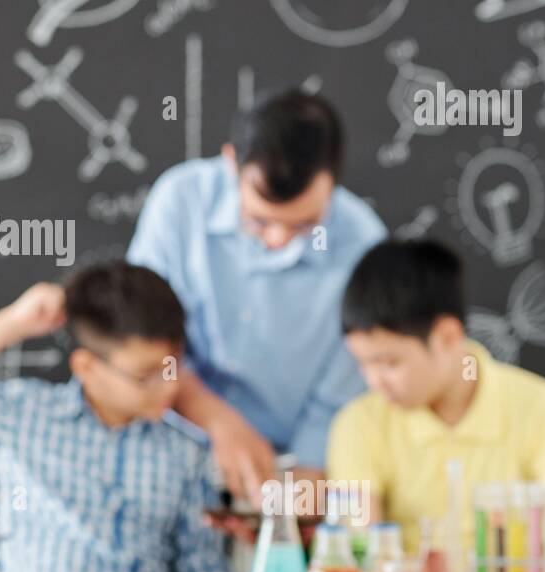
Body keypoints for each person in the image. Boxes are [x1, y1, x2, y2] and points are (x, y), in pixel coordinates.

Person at [127, 89, 387, 507]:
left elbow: (348, 377)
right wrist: (217, 422)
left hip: (298, 467)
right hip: (172, 454)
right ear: (232, 162)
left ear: (332, 181)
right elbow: (140, 336)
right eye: (259, 221)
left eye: (303, 225)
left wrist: (305, 471)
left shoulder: (363, 243)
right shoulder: (179, 202)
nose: (278, 239)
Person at [0, 262, 230, 572]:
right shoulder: (22, 414)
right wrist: (13, 323)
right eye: (145, 376)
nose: (170, 386)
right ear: (87, 367)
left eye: (172, 366)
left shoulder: (187, 453)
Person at [327, 238, 545, 569]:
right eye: (363, 363)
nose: (374, 381)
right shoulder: (358, 423)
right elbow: (363, 561)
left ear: (447, 335)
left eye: (389, 362)